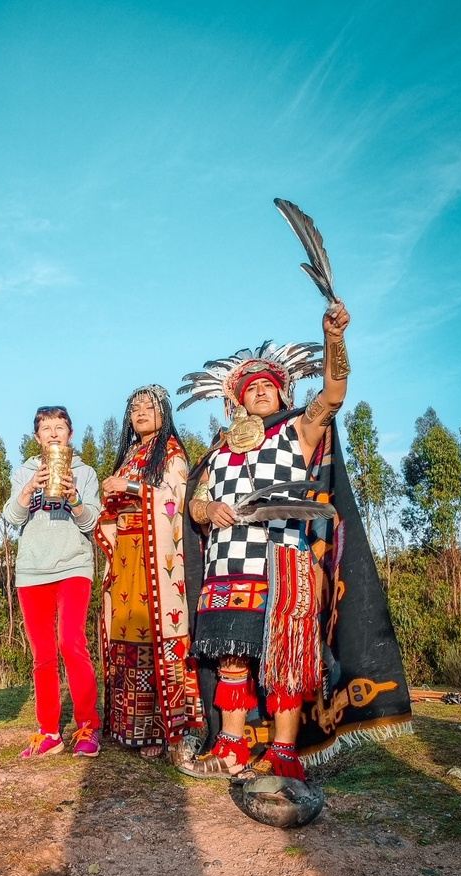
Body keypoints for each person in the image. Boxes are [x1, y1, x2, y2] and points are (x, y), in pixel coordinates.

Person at [177, 303, 411, 780]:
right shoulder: (219, 449)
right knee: (231, 655)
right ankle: (231, 745)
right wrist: (208, 510)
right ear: (238, 400)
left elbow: (334, 394)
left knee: (286, 658)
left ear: (282, 391)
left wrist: (334, 340)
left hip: (285, 556)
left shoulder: (297, 430)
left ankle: (284, 751)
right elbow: (196, 504)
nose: (261, 391)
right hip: (228, 560)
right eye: (252, 388)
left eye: (268, 386)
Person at [96, 385, 202, 758]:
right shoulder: (128, 455)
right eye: (135, 408)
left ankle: (162, 729)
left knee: (158, 633)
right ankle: (129, 727)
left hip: (156, 557)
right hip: (126, 555)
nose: (140, 412)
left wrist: (128, 487)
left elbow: (173, 502)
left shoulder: (170, 452)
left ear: (164, 413)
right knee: (125, 631)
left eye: (149, 407)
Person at [3, 405, 102, 759]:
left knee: (71, 642)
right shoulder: (24, 471)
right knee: (43, 654)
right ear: (37, 437)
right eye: (47, 429)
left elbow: (91, 523)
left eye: (60, 427)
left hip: (74, 566)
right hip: (32, 571)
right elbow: (12, 518)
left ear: (70, 434)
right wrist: (31, 487)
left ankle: (88, 726)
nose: (54, 433)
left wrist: (75, 498)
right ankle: (48, 731)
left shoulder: (85, 472)